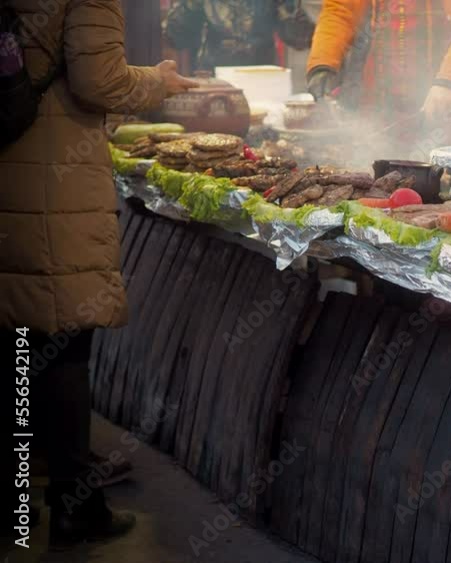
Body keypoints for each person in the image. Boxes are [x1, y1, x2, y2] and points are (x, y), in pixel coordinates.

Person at [0, 0, 196, 549]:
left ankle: (16, 504)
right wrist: (157, 81)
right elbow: (98, 81)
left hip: (10, 166)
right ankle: (74, 507)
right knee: (61, 344)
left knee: (15, 339)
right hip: (52, 180)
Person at [306, 0, 451, 149]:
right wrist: (322, 62)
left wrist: (450, 81)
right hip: (378, 94)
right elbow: (341, 9)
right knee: (378, 175)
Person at [165, 0, 314, 70]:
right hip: (214, 79)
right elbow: (176, 38)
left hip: (263, 78)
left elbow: (300, 38)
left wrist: (288, 8)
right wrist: (190, 6)